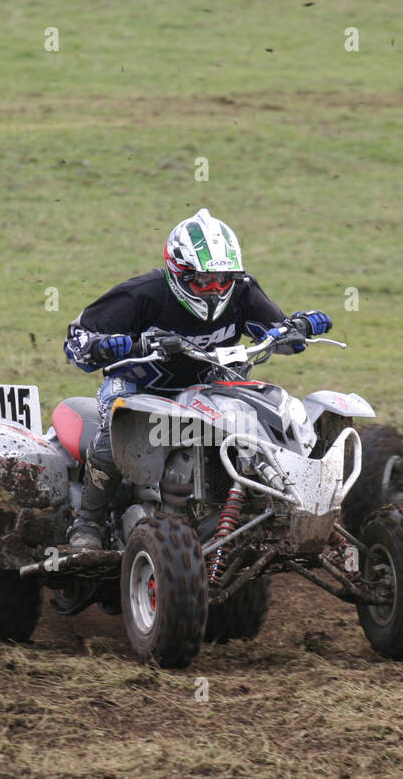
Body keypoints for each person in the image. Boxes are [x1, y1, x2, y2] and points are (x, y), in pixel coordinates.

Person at [62, 208, 332, 550]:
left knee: (260, 426)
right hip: (138, 387)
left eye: (223, 279)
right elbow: (76, 342)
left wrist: (299, 327)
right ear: (179, 272)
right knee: (114, 431)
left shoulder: (241, 291)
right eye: (203, 281)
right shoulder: (144, 294)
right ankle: (87, 524)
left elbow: (277, 334)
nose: (214, 289)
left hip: (210, 388)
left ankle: (274, 510)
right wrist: (116, 344)